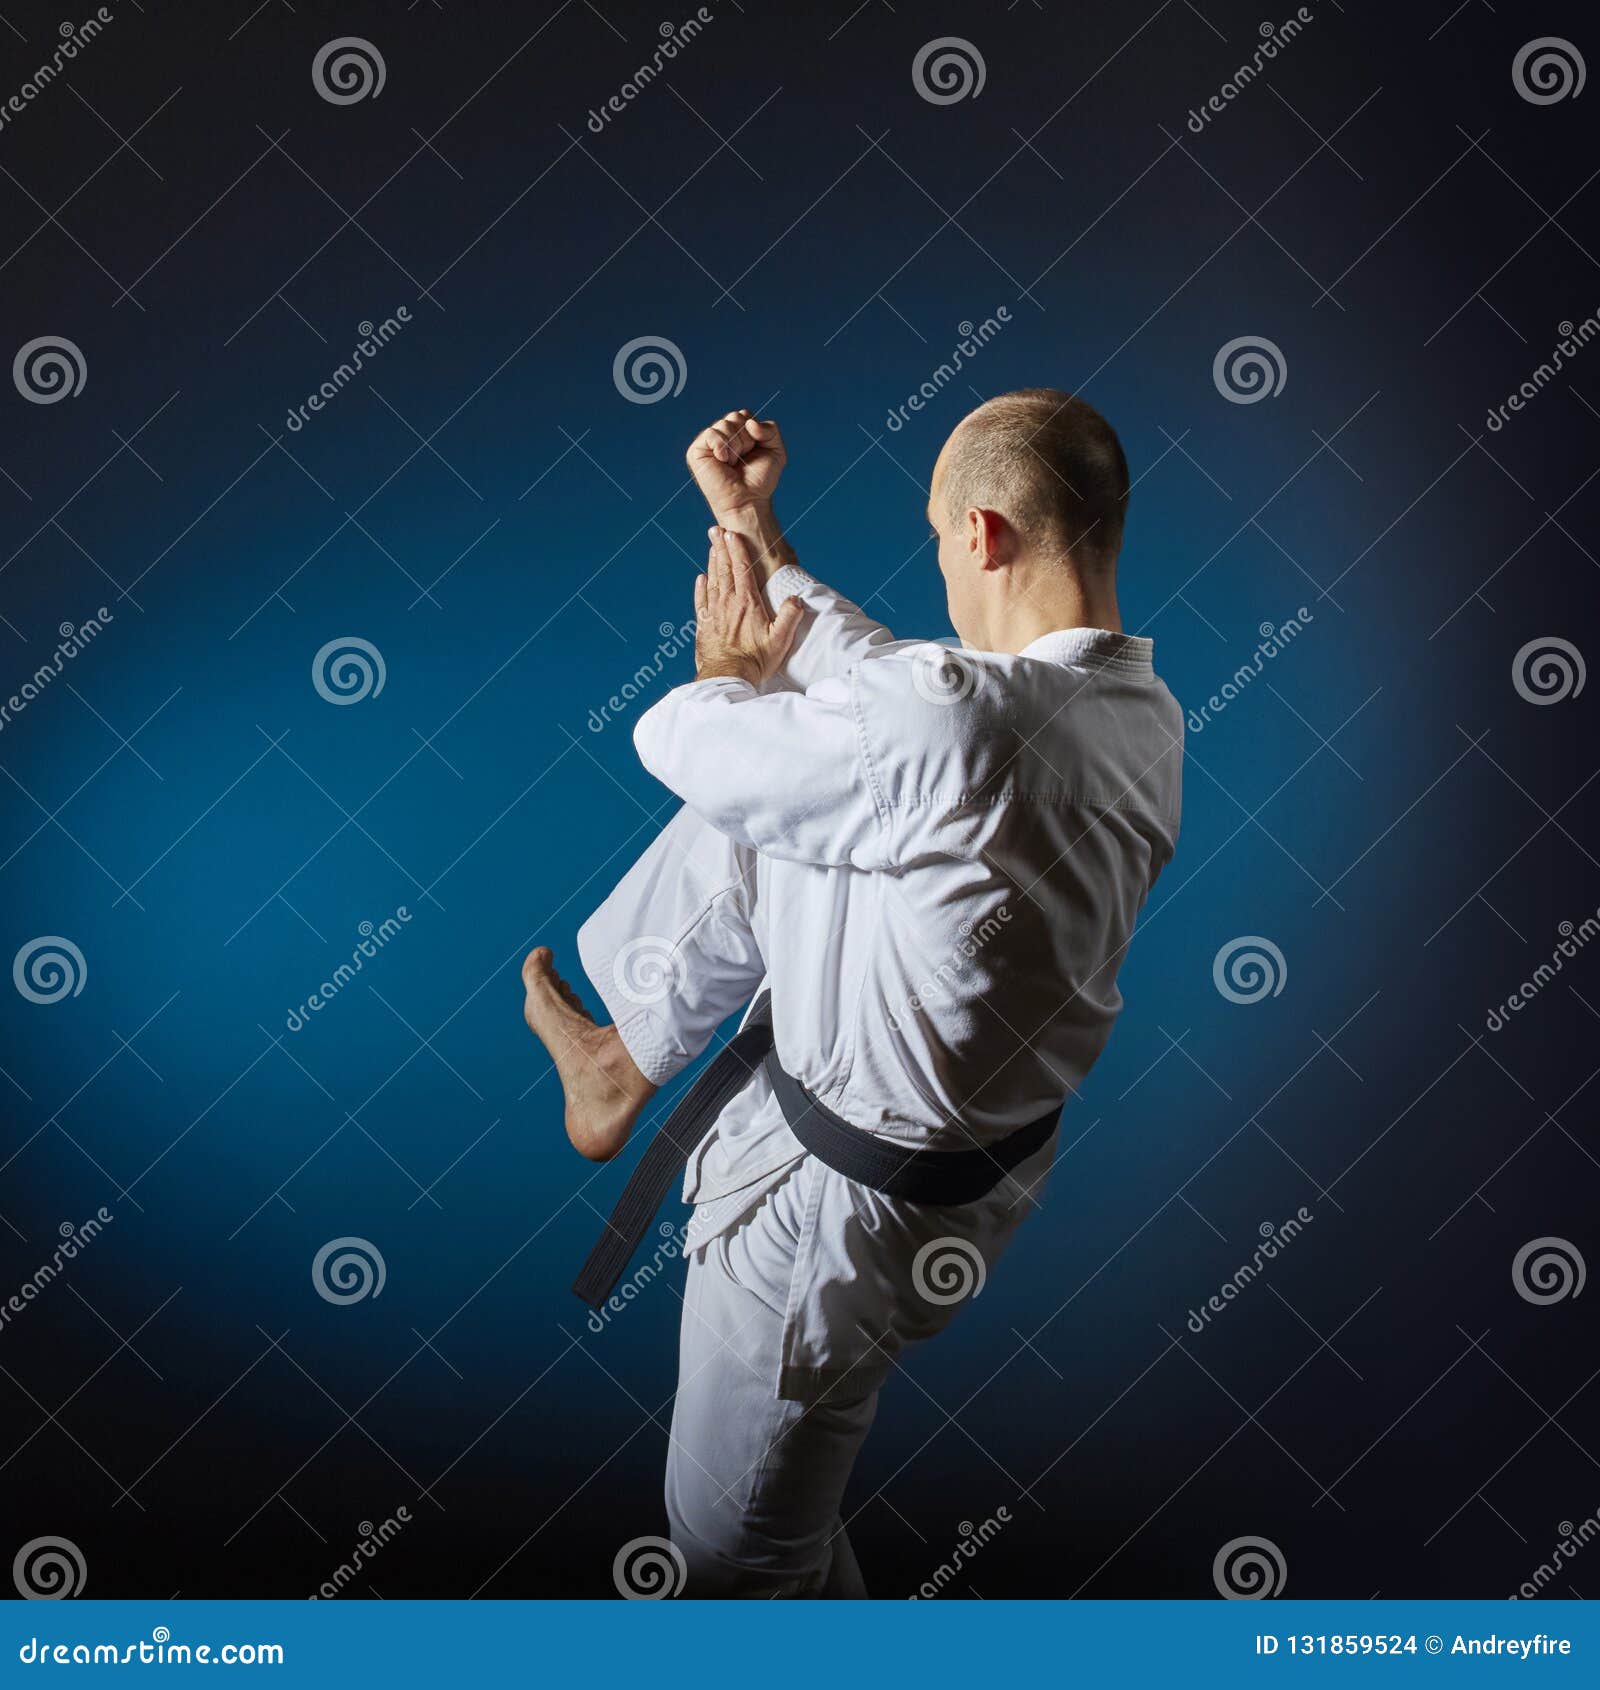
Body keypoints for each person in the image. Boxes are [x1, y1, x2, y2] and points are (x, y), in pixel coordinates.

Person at [521, 392, 1184, 1597]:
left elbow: (696, 744)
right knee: (802, 788)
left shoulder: (956, 727)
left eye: (937, 536)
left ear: (982, 533)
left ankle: (623, 1060)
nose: (939, 562)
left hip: (830, 1209)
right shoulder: (1135, 710)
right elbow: (893, 698)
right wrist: (752, 528)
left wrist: (722, 676)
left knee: (731, 1550)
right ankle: (623, 1057)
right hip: (964, 1173)